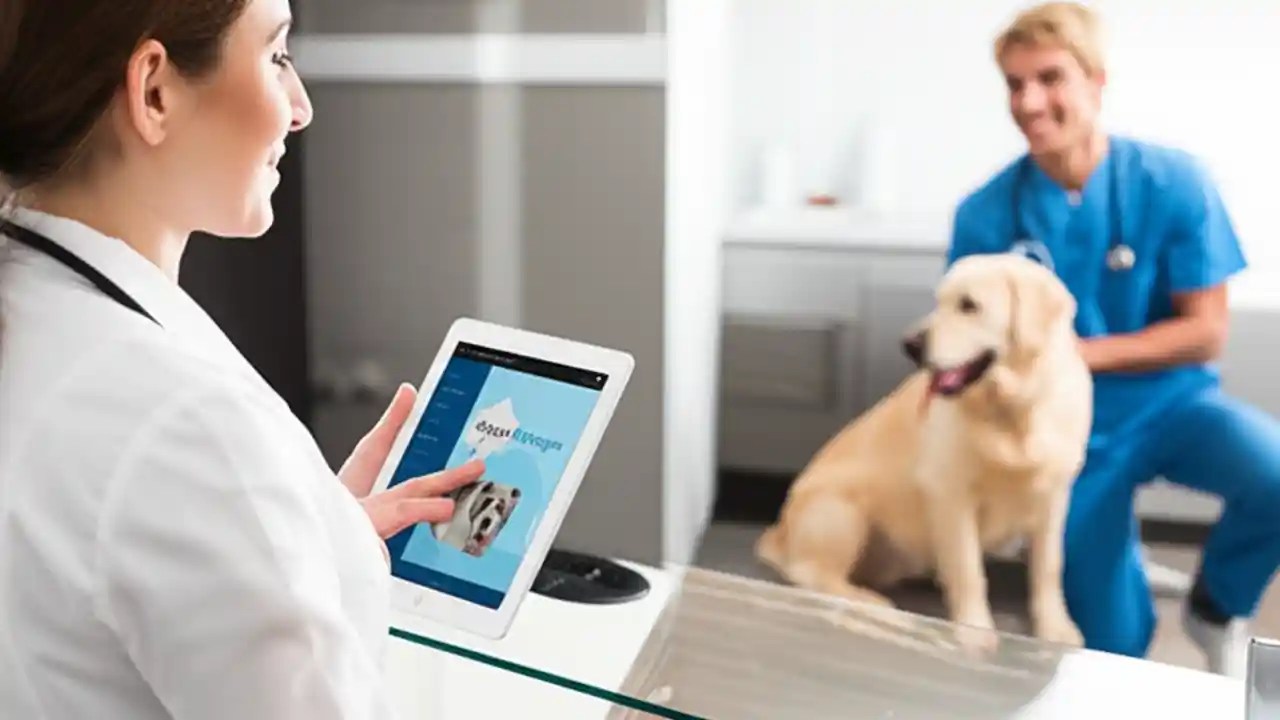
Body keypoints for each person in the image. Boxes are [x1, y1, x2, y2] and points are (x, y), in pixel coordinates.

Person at [0, 0, 486, 716]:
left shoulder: (33, 308)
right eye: (276, 55)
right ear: (155, 91)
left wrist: (305, 535)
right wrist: (267, 524)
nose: (300, 108)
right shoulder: (187, 425)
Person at [947, 1, 1280, 676]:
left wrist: (1076, 355)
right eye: (1014, 84)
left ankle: (1217, 604)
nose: (1029, 101)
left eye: (1049, 78)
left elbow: (1205, 333)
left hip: (1171, 405)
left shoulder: (1176, 181)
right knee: (1114, 646)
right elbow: (971, 351)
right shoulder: (985, 215)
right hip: (1067, 440)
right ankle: (1120, 605)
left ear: (1096, 80)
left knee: (1276, 474)